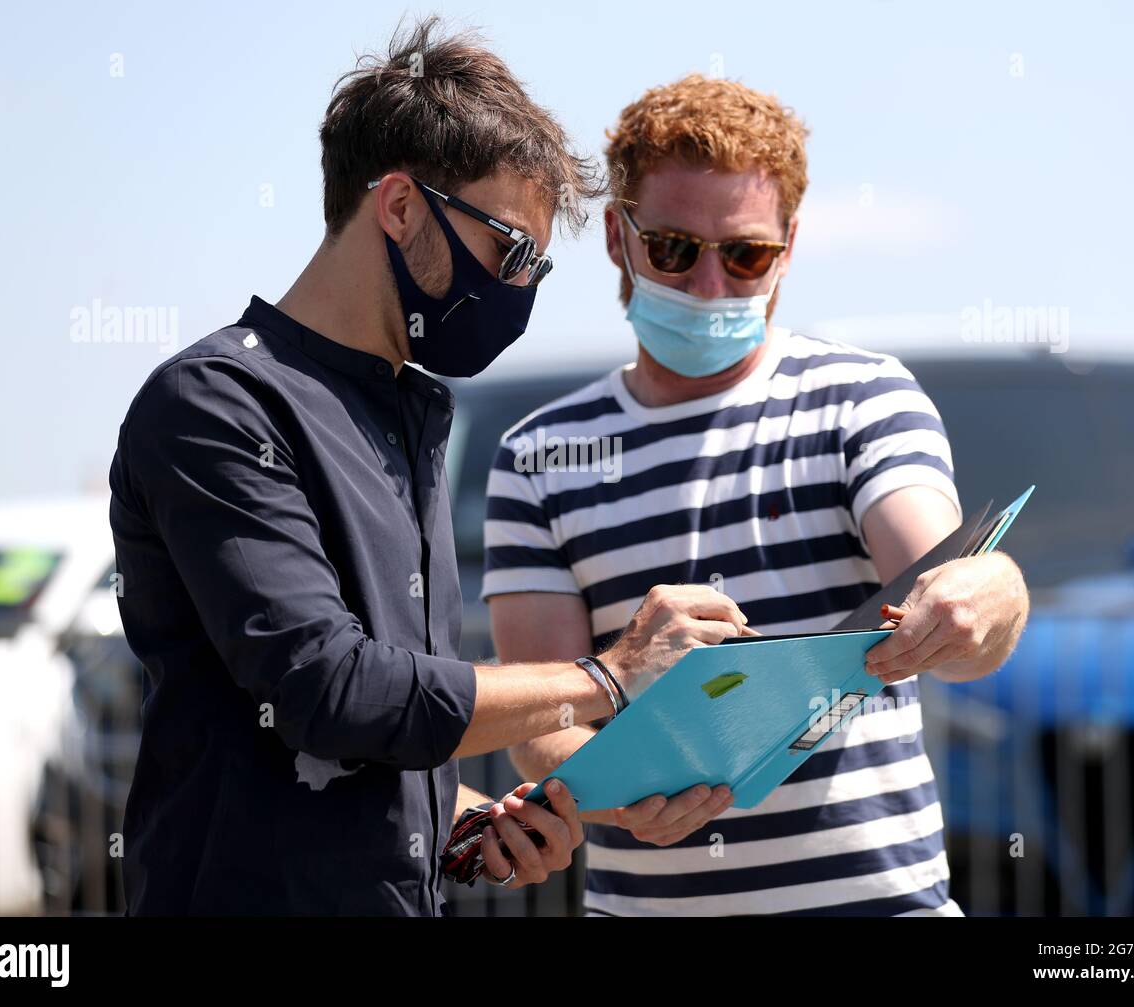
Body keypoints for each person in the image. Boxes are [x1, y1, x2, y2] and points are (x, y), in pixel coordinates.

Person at [108, 19, 746, 917]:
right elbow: (331, 688)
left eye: (538, 267)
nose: (518, 289)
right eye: (509, 252)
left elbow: (374, 738)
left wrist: (460, 820)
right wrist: (611, 674)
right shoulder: (218, 402)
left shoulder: (409, 414)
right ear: (400, 207)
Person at [484, 74, 1031, 916]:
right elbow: (541, 705)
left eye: (744, 255)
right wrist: (609, 792)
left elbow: (945, 593)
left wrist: (990, 593)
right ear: (616, 239)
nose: (709, 286)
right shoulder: (540, 454)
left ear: (789, 246)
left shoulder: (864, 397)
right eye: (672, 248)